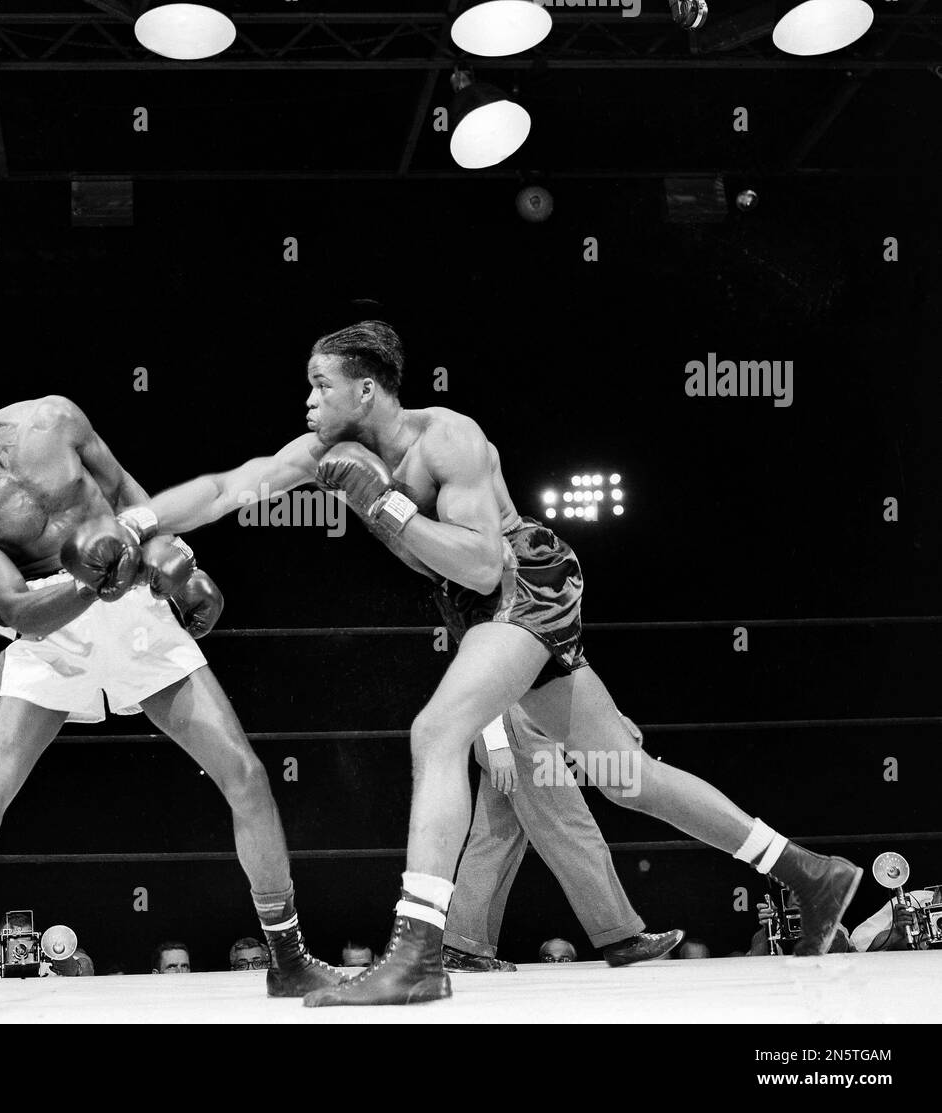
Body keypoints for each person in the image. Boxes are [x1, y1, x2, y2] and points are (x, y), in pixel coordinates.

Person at [138, 319, 862, 1006]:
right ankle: (809, 871)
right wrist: (135, 522)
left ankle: (419, 953)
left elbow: (486, 566)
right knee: (629, 777)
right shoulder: (321, 451)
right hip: (483, 607)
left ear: (366, 389)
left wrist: (387, 507)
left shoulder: (448, 437)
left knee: (435, 734)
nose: (307, 399)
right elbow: (229, 486)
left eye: (320, 383)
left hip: (525, 580)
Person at [0, 344, 344, 1019]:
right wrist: (90, 577)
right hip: (52, 633)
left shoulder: (55, 419)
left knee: (247, 776)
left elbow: (126, 493)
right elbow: (16, 608)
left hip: (136, 609)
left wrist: (179, 562)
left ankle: (288, 961)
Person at [443, 706, 681, 972]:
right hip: (516, 725)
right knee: (573, 830)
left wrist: (613, 717)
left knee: (494, 841)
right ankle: (621, 938)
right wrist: (498, 744)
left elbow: (570, 669)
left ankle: (462, 948)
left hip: (509, 727)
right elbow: (488, 670)